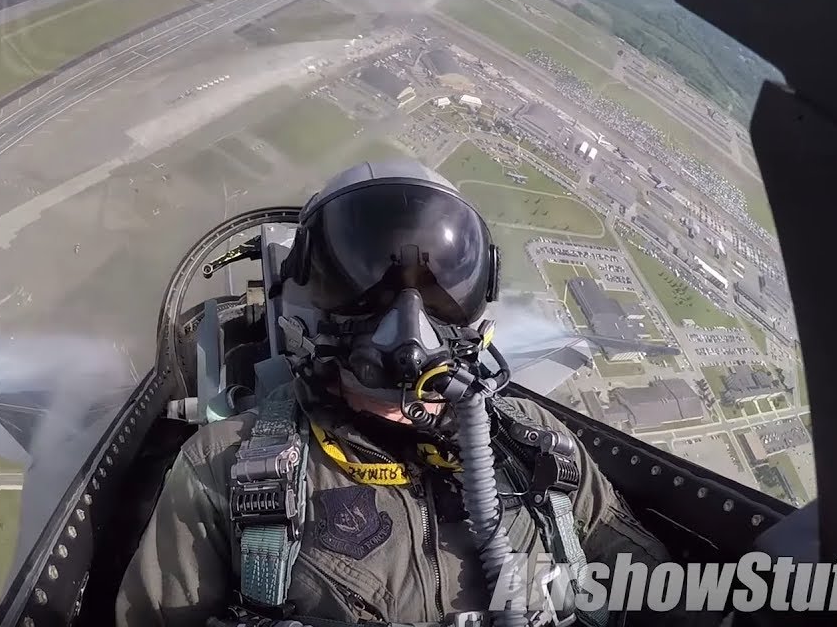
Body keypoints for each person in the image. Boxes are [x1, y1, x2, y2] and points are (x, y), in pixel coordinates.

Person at [117, 160, 700, 627]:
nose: (409, 323)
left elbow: (660, 590)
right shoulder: (228, 471)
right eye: (361, 284)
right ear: (308, 299)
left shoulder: (541, 449)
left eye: (441, 288)